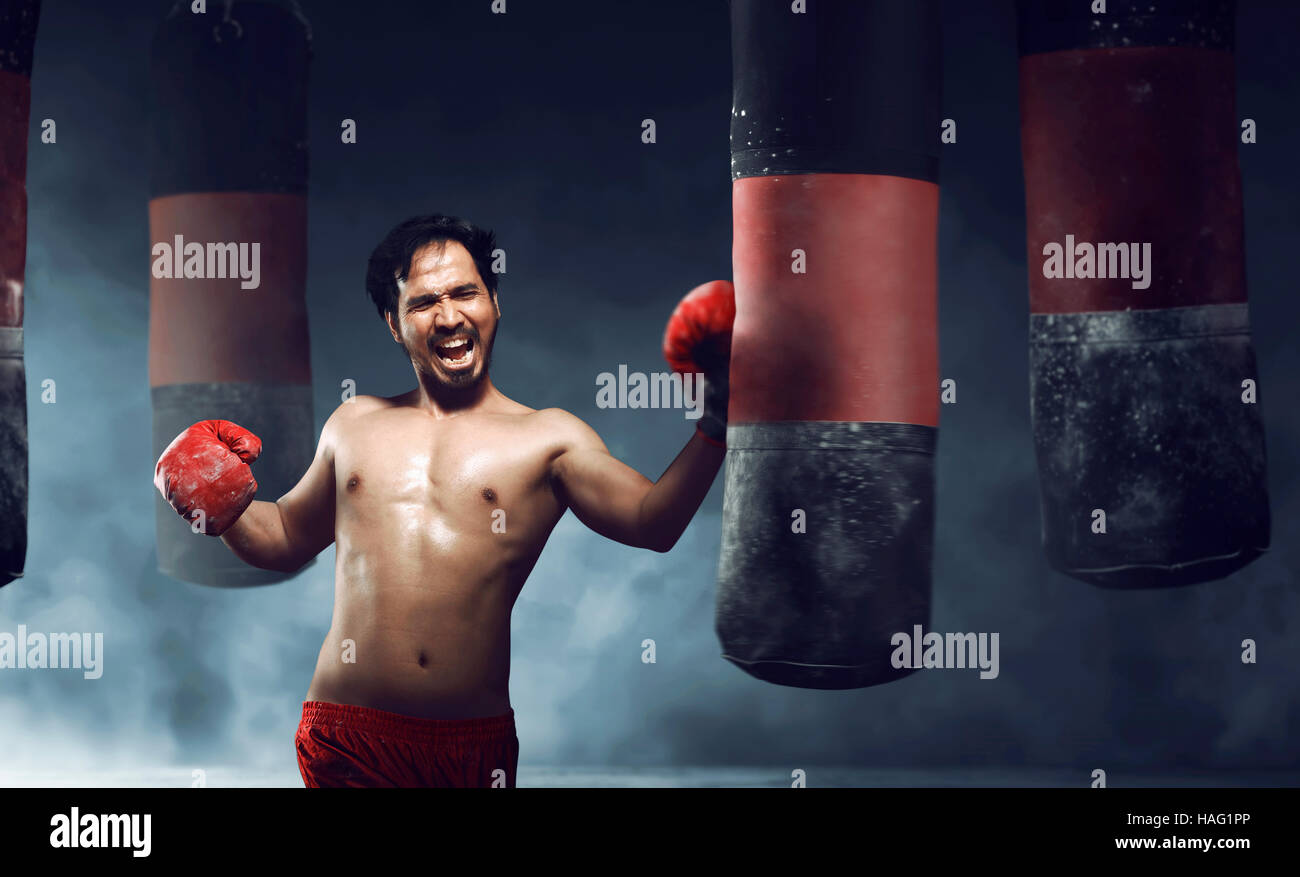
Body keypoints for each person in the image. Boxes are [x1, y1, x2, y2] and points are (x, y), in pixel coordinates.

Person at [153, 214, 734, 787]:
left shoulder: (550, 439)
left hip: (469, 751)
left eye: (465, 293)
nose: (450, 316)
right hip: (348, 735)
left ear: (494, 302)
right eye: (424, 302)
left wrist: (715, 422)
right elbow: (283, 537)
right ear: (393, 323)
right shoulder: (353, 424)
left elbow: (652, 523)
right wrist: (219, 504)